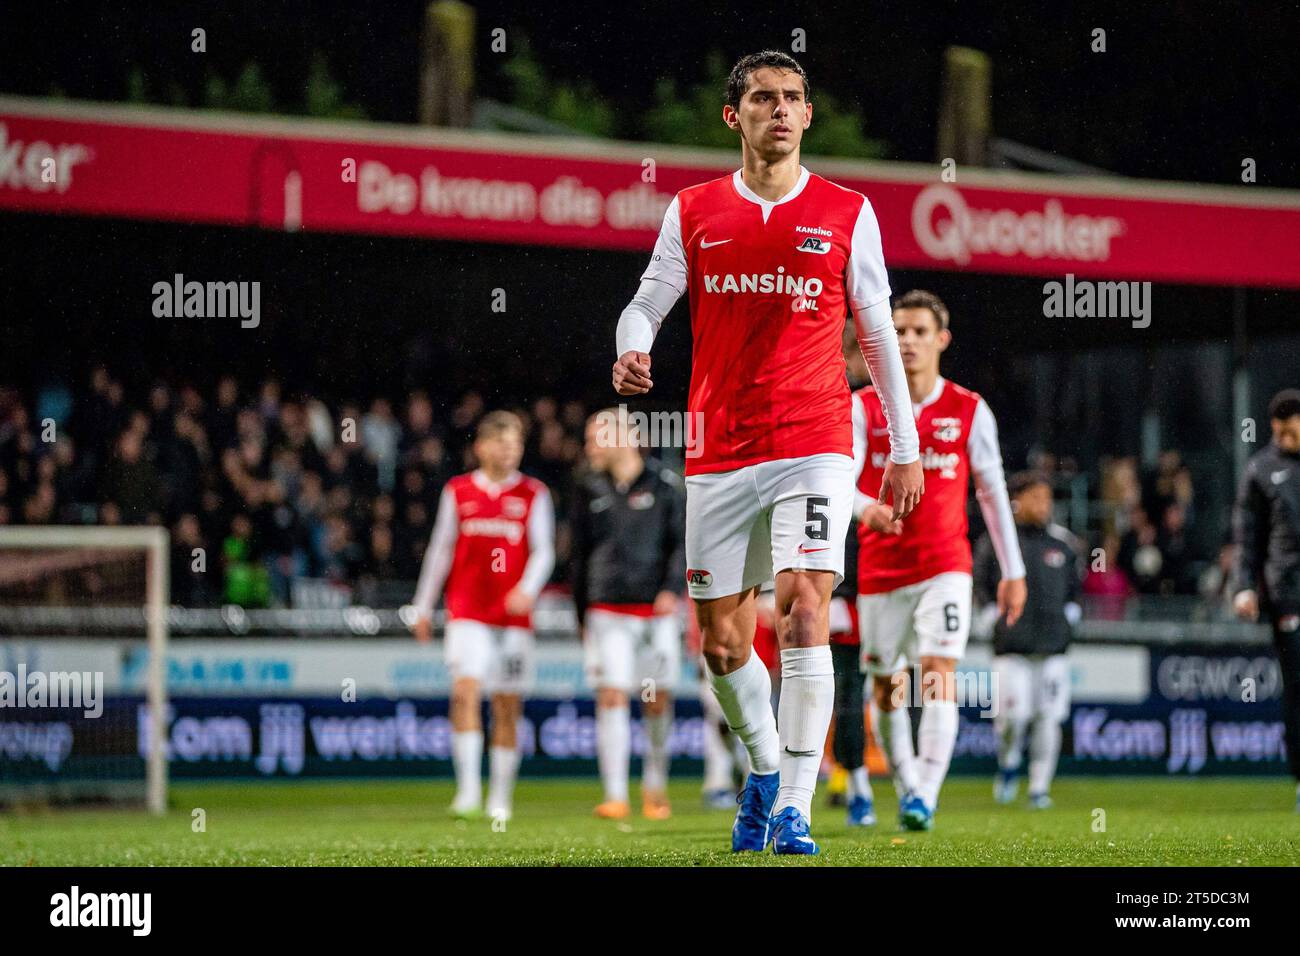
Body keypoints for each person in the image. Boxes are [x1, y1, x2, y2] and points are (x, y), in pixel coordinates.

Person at [612, 50, 923, 854]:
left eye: (792, 98)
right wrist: (633, 344)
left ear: (808, 115)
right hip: (717, 446)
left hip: (815, 440)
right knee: (721, 643)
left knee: (804, 612)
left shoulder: (848, 211)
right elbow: (648, 298)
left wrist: (903, 445)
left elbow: (878, 332)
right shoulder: (693, 208)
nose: (778, 110)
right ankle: (760, 767)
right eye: (761, 98)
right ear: (734, 116)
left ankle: (793, 807)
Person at [853, 289, 1026, 831]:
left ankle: (925, 792)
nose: (907, 341)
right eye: (899, 331)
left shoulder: (970, 409)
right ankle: (907, 781)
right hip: (880, 571)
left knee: (937, 675)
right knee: (886, 687)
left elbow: (993, 492)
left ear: (941, 340)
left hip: (945, 568)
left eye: (919, 331)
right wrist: (867, 511)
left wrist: (1014, 570)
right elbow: (837, 479)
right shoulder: (862, 405)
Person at [410, 411, 555, 822]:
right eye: (503, 443)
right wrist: (423, 606)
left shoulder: (533, 493)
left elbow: (544, 550)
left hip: (512, 620)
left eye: (516, 444)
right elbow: (440, 550)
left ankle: (501, 798)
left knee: (507, 705)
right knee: (465, 692)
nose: (511, 451)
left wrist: (527, 588)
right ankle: (469, 791)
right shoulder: (458, 491)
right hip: (467, 613)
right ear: (482, 447)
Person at [571, 408, 686, 821]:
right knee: (612, 694)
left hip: (655, 614)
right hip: (606, 611)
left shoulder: (666, 484)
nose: (588, 447)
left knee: (656, 702)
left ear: (625, 437)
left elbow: (682, 545)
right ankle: (615, 794)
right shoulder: (588, 486)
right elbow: (578, 555)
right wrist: (580, 613)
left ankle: (654, 786)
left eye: (594, 437)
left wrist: (672, 591)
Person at [976, 471, 1081, 809]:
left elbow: (1075, 591)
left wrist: (1069, 620)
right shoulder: (996, 541)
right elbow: (980, 583)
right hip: (1012, 647)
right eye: (1036, 497)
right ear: (1017, 501)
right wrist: (993, 618)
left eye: (1047, 498)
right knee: (1012, 718)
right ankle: (1008, 765)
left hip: (1052, 646)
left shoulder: (1063, 543)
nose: (1043, 505)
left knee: (1048, 717)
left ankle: (1039, 787)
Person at [1232, 388, 1300, 810]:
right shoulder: (1261, 469)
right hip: (1289, 595)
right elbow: (1247, 537)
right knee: (1299, 688)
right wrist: (1243, 585)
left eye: (1290, 433)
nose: (1283, 440)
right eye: (1277, 433)